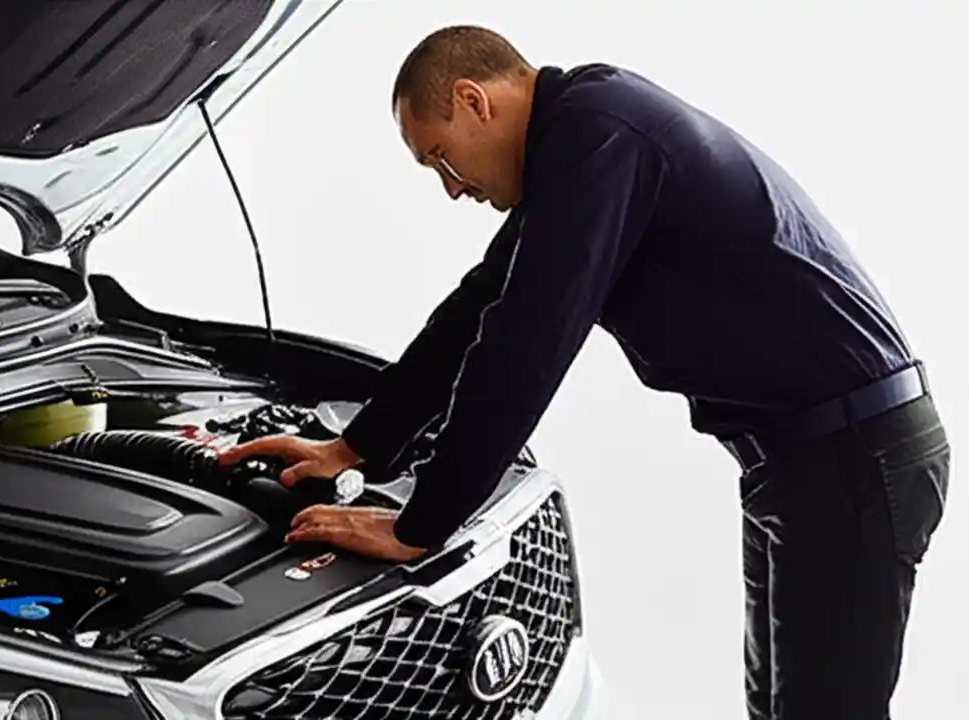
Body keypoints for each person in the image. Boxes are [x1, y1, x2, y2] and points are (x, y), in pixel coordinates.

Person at [217, 24, 951, 720]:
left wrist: (423, 524)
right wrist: (355, 448)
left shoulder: (601, 134)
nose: (451, 188)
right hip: (805, 463)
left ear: (474, 101)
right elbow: (480, 309)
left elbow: (528, 340)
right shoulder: (582, 139)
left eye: (440, 156)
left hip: (852, 457)